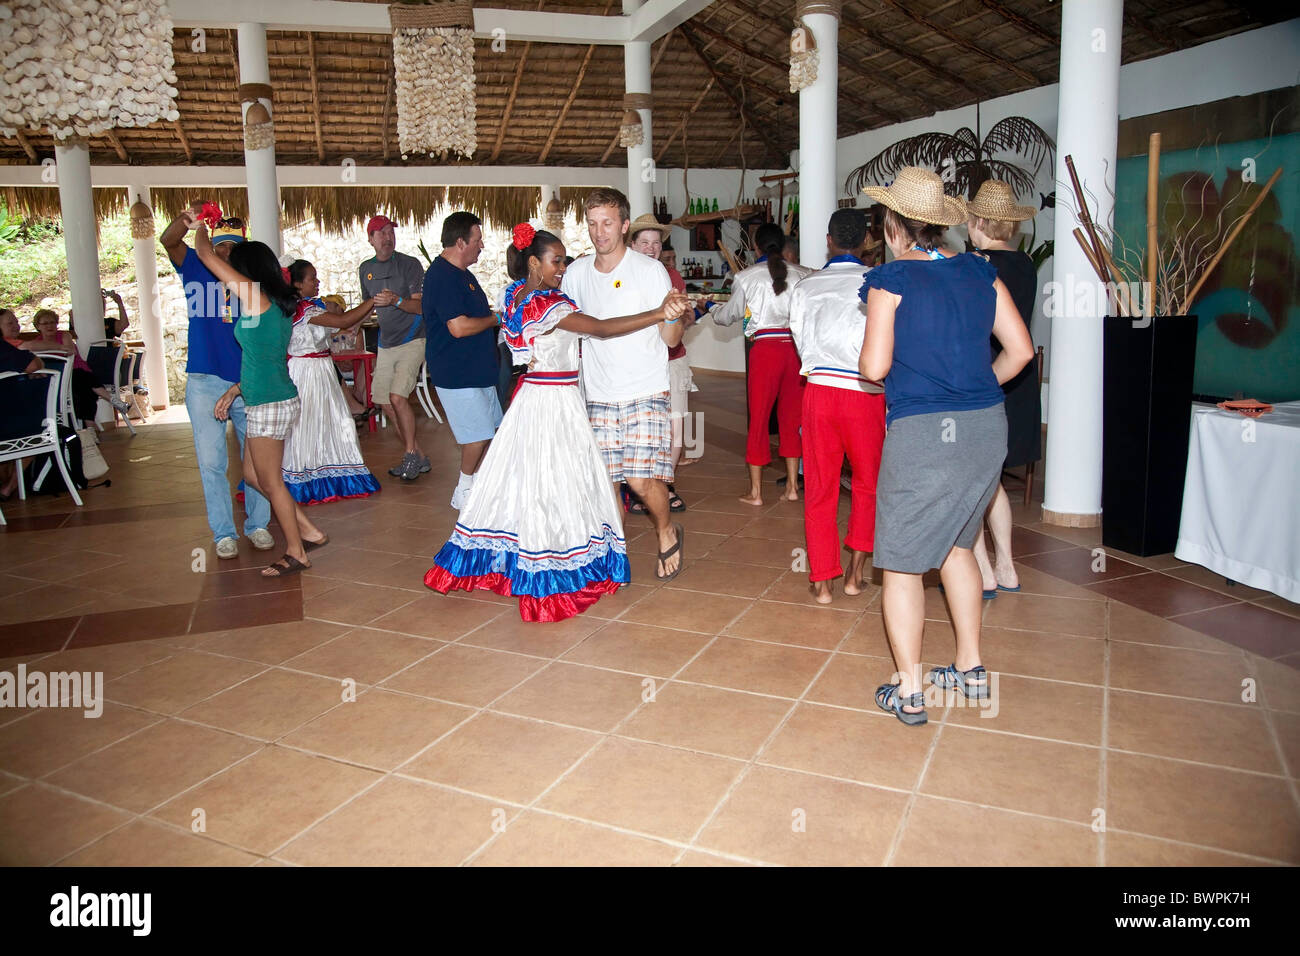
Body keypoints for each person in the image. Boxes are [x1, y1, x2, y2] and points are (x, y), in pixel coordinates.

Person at [425, 225, 688, 621]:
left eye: (564, 260)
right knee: (559, 484)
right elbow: (599, 329)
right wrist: (656, 313)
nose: (564, 267)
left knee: (533, 483)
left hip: (531, 396)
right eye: (557, 260)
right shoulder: (546, 304)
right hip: (555, 400)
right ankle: (551, 566)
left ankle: (532, 557)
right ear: (534, 262)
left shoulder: (515, 296)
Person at [857, 167, 1034, 726]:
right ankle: (970, 668)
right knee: (961, 545)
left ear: (891, 223)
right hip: (985, 425)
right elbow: (1021, 352)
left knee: (905, 565)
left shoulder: (890, 280)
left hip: (922, 432)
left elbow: (874, 367)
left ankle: (910, 690)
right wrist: (974, 387)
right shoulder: (982, 273)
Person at [562, 188, 687, 581]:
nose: (600, 232)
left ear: (624, 225)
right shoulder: (576, 273)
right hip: (597, 393)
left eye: (608, 223)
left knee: (638, 479)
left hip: (645, 389)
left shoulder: (649, 272)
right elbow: (568, 331)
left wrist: (673, 315)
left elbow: (670, 339)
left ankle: (665, 528)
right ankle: (615, 551)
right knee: (606, 484)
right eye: (593, 223)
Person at [194, 223, 329, 577]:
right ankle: (310, 531)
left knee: (270, 481)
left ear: (248, 270)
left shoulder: (256, 299)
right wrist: (235, 389)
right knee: (254, 477)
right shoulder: (274, 305)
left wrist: (200, 226)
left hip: (269, 403)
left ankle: (297, 552)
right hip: (265, 397)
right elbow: (263, 358)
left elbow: (206, 254)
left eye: (236, 266)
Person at [158, 207, 273, 559]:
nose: (224, 253)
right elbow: (168, 239)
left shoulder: (250, 279)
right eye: (220, 246)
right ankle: (224, 532)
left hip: (246, 381)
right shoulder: (193, 264)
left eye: (232, 248)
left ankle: (258, 525)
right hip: (205, 379)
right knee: (211, 461)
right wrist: (189, 220)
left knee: (256, 457)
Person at [788, 208, 884, 605]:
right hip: (865, 392)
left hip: (820, 392)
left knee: (821, 488)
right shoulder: (877, 281)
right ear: (865, 241)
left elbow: (799, 341)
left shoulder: (806, 287)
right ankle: (856, 573)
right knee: (868, 485)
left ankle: (823, 580)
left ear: (829, 240)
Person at [965, 180, 1041, 595]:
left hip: (986, 378)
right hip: (1018, 376)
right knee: (991, 479)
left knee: (975, 480)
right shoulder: (1026, 263)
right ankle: (1006, 566)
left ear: (977, 221)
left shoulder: (976, 265)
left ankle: (983, 571)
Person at [706, 223, 811, 506]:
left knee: (760, 420)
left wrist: (709, 309)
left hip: (765, 352)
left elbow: (729, 315)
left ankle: (756, 492)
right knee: (792, 420)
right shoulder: (803, 275)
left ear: (756, 247)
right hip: (795, 352)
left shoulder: (746, 276)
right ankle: (791, 487)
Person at [282, 260, 385, 504]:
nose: (317, 282)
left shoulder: (309, 307)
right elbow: (343, 321)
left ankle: (329, 468)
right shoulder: (303, 310)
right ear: (296, 284)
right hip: (306, 372)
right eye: (311, 279)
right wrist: (371, 301)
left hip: (321, 369)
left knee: (331, 421)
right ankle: (307, 474)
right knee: (308, 423)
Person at [422, 211, 503, 507]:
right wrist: (494, 319)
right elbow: (458, 326)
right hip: (457, 372)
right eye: (477, 240)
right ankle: (464, 488)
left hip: (477, 369)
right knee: (477, 435)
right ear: (460, 242)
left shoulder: (463, 275)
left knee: (491, 430)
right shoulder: (442, 276)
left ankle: (479, 484)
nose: (481, 245)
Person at [357, 215, 427, 481]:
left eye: (390, 232)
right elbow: (367, 305)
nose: (387, 237)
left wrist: (396, 300)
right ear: (371, 239)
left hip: (413, 338)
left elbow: (420, 306)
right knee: (384, 401)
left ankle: (410, 455)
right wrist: (351, 326)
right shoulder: (366, 269)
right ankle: (418, 456)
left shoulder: (409, 265)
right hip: (385, 343)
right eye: (381, 233)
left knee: (398, 397)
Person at [628, 213, 689, 512]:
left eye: (656, 242)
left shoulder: (672, 276)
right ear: (633, 244)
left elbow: (681, 322)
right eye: (645, 242)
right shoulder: (624, 277)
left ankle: (664, 485)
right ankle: (644, 488)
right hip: (639, 365)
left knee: (675, 425)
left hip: (672, 361)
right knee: (645, 429)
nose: (651, 248)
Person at [22, 308, 131, 424]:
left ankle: (89, 431)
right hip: (59, 378)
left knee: (82, 384)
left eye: (52, 322)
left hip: (76, 369)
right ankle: (111, 406)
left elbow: (70, 351)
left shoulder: (64, 335)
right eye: (45, 323)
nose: (49, 326)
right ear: (38, 326)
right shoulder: (37, 342)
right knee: (85, 387)